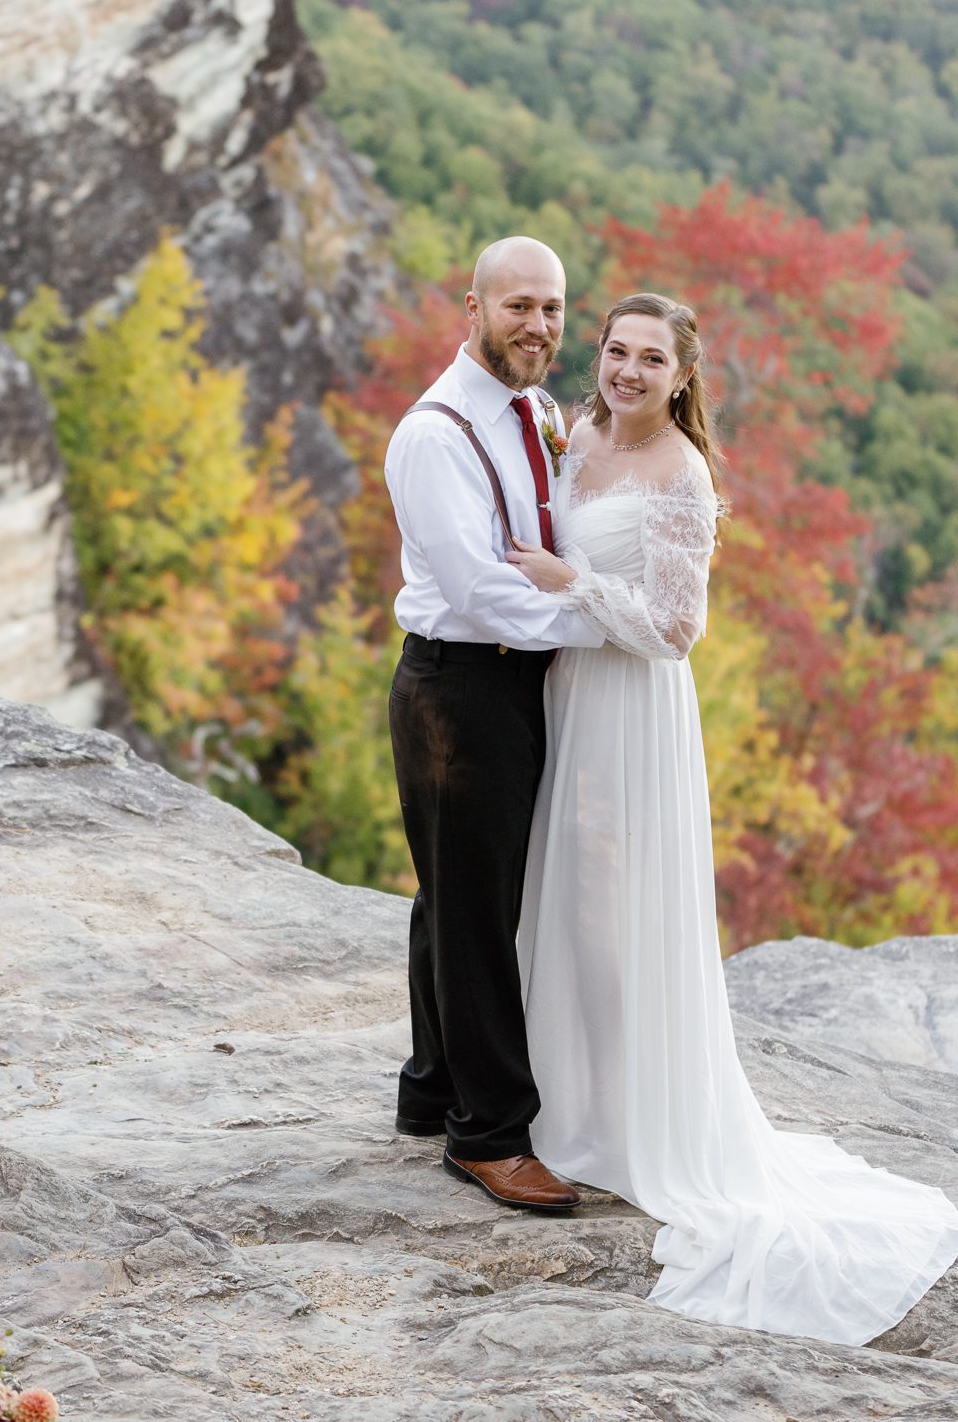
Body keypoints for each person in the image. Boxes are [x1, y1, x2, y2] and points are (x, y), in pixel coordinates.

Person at [504, 290, 958, 1343]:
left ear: (682, 377)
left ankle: (632, 1122)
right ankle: (560, 1102)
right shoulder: (574, 433)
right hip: (566, 696)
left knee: (616, 905)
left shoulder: (683, 474)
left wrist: (572, 582)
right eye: (615, 350)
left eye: (649, 358)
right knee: (563, 896)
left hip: (630, 708)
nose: (625, 369)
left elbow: (677, 629)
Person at [382, 236, 603, 1213]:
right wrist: (594, 622)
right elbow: (475, 590)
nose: (539, 326)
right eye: (518, 306)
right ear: (470, 308)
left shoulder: (539, 413)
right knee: (477, 912)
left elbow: (541, 547)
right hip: (460, 688)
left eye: (552, 309)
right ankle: (491, 1133)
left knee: (453, 893)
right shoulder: (434, 436)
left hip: (512, 684)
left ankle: (433, 1087)